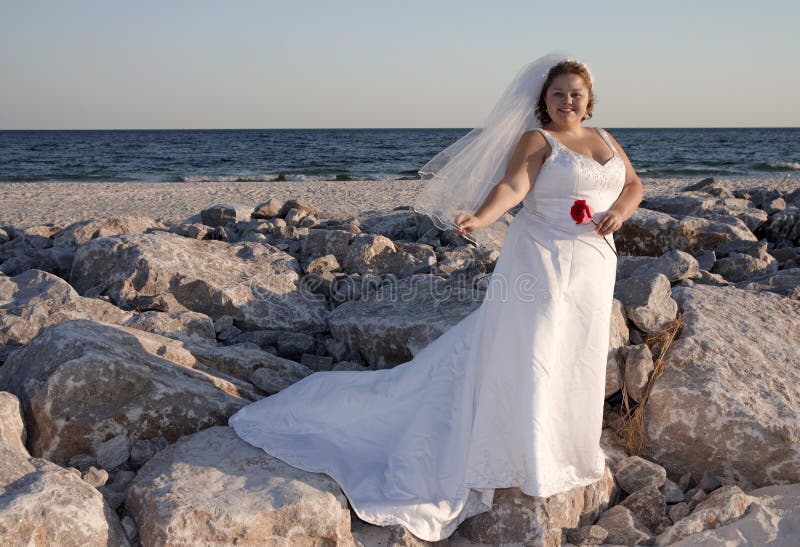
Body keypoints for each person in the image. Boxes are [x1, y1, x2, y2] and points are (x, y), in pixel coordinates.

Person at [228, 53, 643, 542]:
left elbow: (633, 185)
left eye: (575, 92)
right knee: (537, 347)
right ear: (543, 100)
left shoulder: (605, 139)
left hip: (596, 262)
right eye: (558, 93)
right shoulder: (538, 140)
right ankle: (528, 452)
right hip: (545, 259)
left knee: (578, 349)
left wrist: (618, 210)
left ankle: (566, 443)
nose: (567, 100)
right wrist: (482, 218)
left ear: (589, 98)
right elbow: (513, 186)